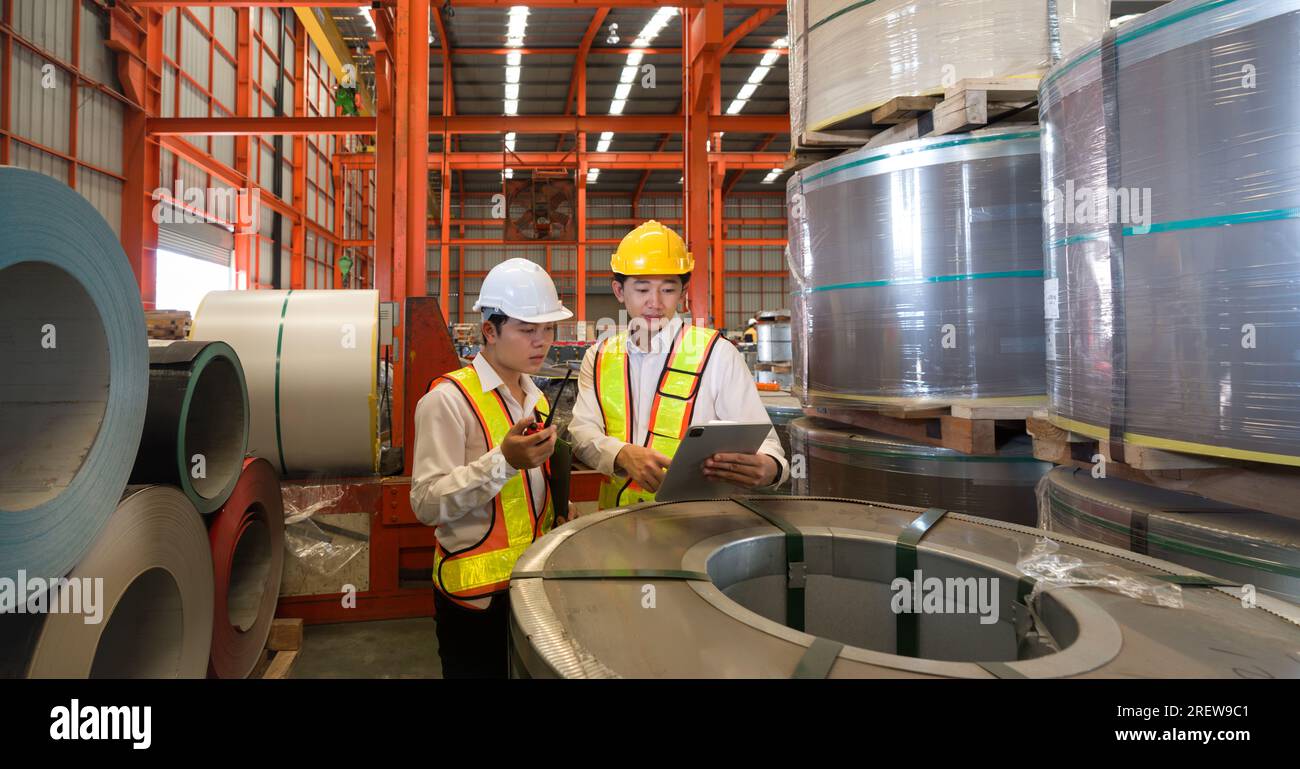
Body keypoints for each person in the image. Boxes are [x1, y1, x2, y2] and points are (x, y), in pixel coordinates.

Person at [410, 257, 572, 678]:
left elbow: (525, 500)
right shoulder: (447, 401)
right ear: (490, 330)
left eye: (548, 329)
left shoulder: (535, 398)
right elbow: (426, 503)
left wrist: (553, 512)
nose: (542, 342)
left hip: (531, 589)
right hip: (474, 601)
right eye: (527, 330)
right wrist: (504, 461)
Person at [569, 220, 788, 509]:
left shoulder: (717, 354)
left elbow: (766, 445)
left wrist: (769, 467)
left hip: (693, 520)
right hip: (615, 519)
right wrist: (621, 454)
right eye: (642, 289)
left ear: (683, 293)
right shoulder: (598, 356)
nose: (655, 302)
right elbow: (581, 432)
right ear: (619, 291)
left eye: (668, 289)